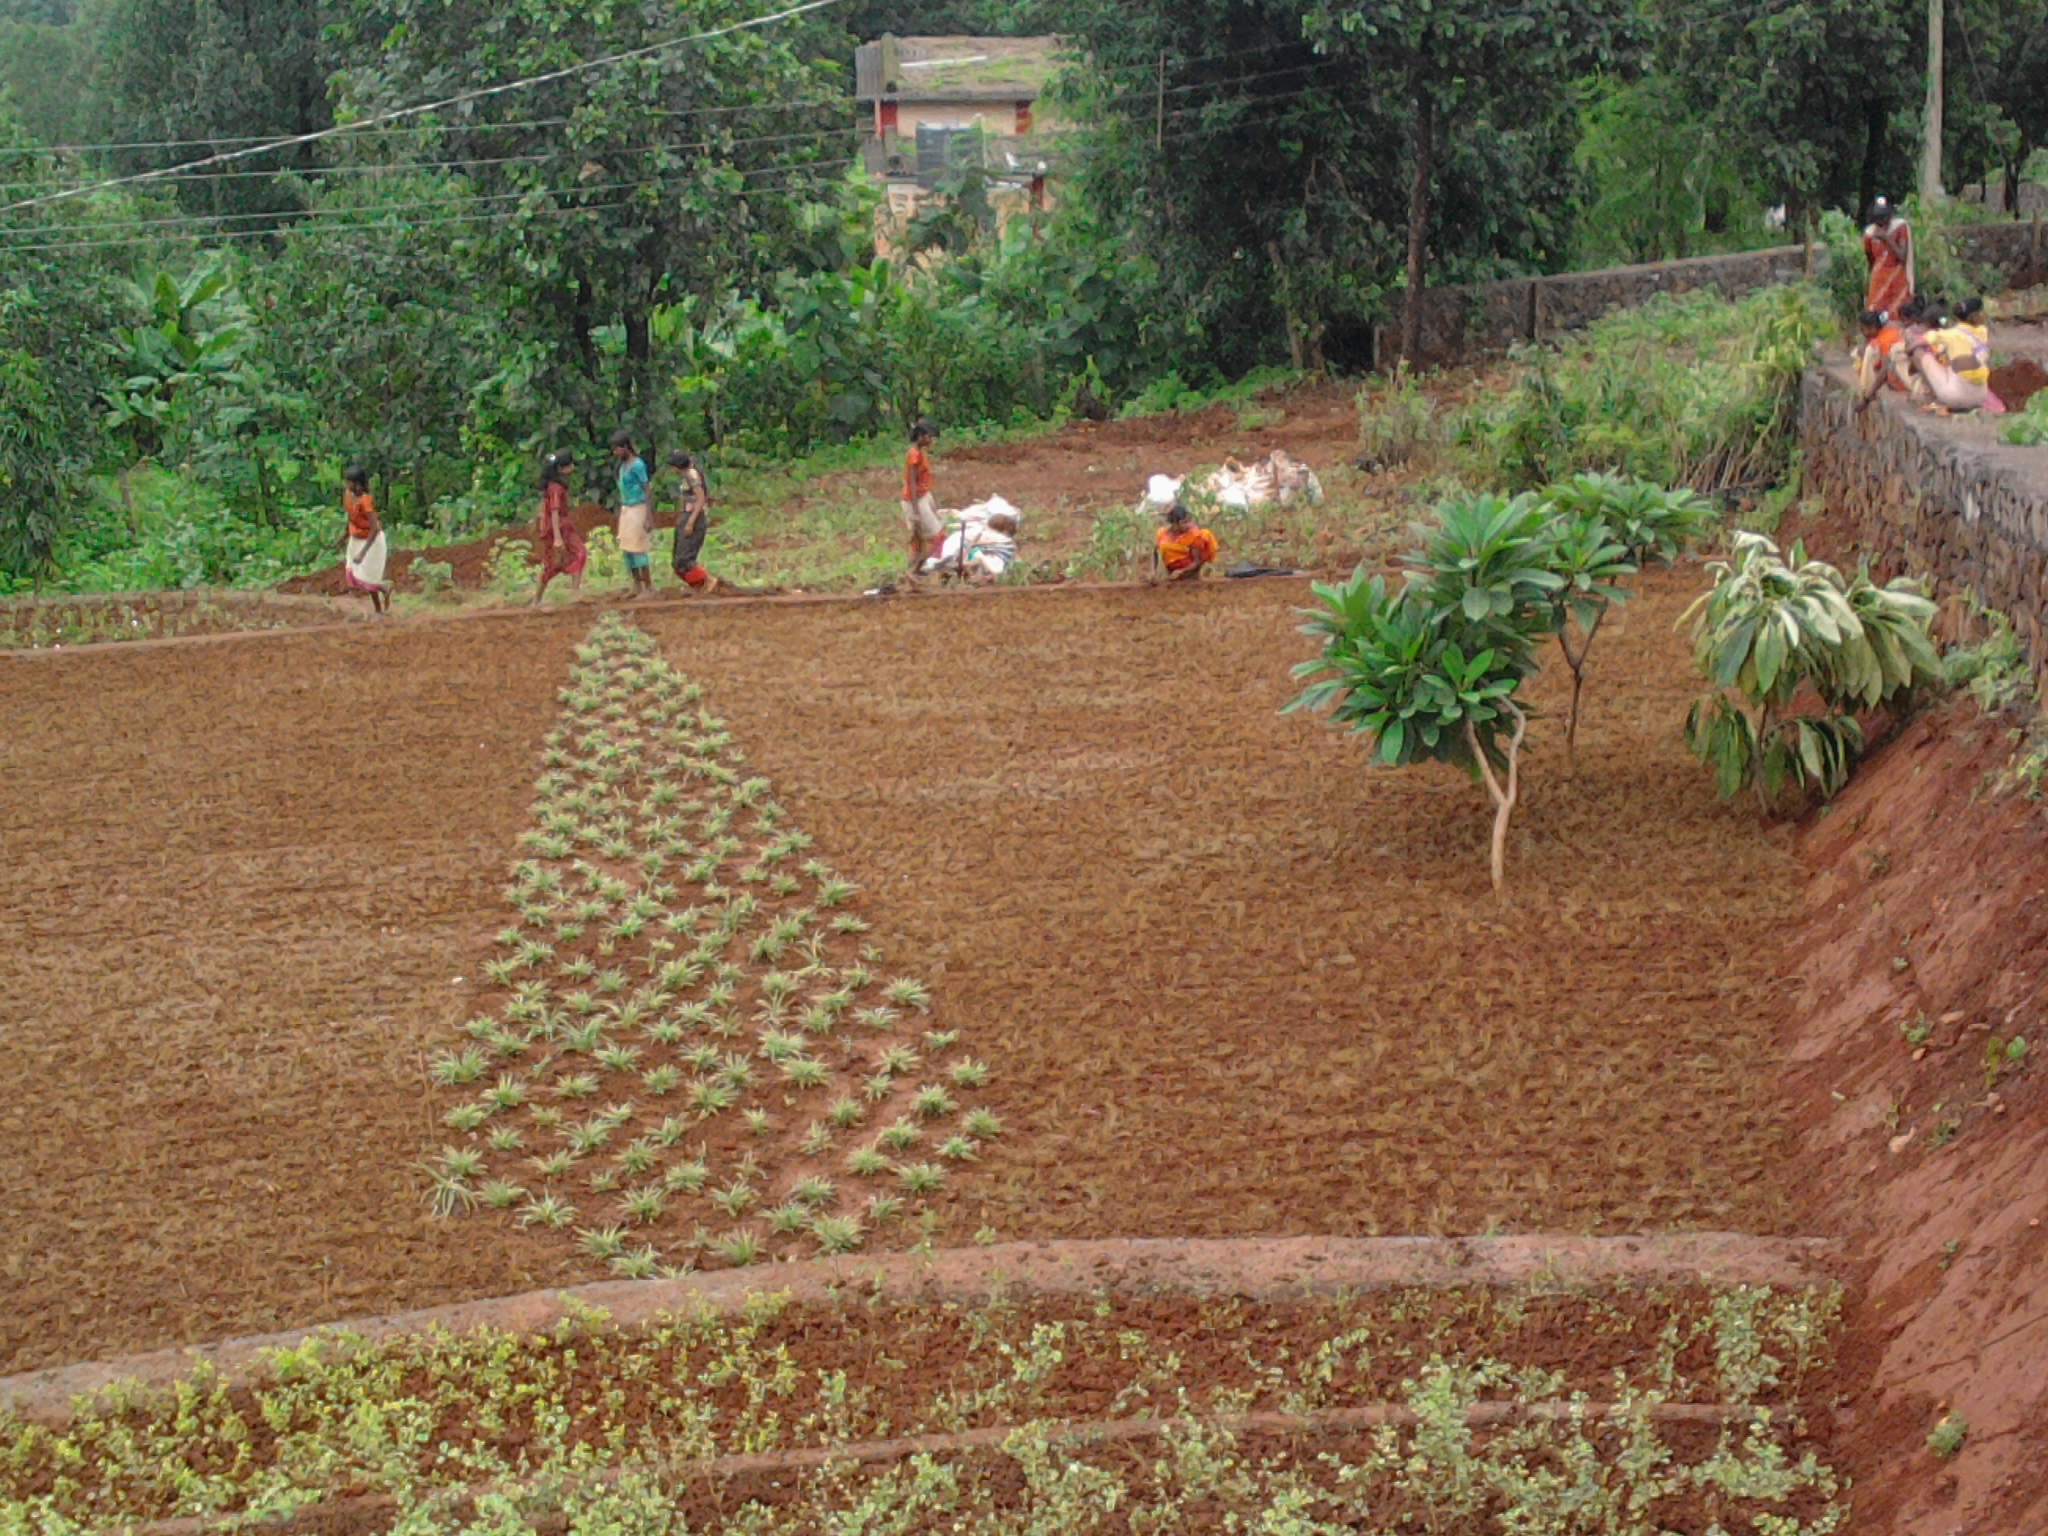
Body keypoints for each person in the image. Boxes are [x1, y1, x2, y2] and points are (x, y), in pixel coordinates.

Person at [1910, 305, 1992, 415]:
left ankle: (1933, 397)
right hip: (1980, 396)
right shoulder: (1982, 332)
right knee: (1952, 359)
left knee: (1919, 354)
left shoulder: (1949, 335)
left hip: (1954, 397)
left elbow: (1913, 345)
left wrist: (1908, 348)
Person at [533, 450, 587, 605]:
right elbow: (554, 512)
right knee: (555, 563)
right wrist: (557, 537)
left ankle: (575, 592)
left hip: (561, 527)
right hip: (559, 529)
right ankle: (538, 599)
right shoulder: (556, 489)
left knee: (577, 554)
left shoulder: (555, 486)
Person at [667, 449, 721, 596]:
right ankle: (697, 586)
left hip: (694, 517)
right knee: (678, 560)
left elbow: (701, 498)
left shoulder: (692, 475)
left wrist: (691, 521)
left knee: (685, 559)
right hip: (688, 514)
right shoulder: (687, 475)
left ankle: (708, 580)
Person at [340, 465, 390, 614]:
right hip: (356, 537)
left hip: (371, 540)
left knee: (367, 577)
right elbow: (350, 517)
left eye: (349, 482)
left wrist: (363, 552)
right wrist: (344, 536)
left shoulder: (365, 501)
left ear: (358, 484)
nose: (347, 485)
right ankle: (383, 588)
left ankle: (378, 611)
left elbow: (374, 528)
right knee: (354, 576)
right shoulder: (348, 495)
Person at [611, 429, 654, 599]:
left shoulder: (637, 465)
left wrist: (649, 516)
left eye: (617, 449)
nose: (615, 453)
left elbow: (647, 489)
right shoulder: (623, 467)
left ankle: (648, 586)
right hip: (627, 508)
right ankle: (637, 585)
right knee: (627, 548)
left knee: (638, 548)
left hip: (638, 508)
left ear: (625, 447)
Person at [901, 419, 941, 577]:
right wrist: (916, 511)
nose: (930, 441)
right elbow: (911, 482)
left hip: (922, 497)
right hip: (915, 500)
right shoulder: (914, 455)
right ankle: (915, 570)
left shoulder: (918, 453)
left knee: (918, 539)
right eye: (929, 437)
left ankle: (914, 570)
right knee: (936, 536)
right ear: (921, 436)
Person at [1862, 198, 1914, 318]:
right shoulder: (1869, 234)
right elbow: (1870, 259)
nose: (1882, 222)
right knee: (1875, 314)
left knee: (1898, 313)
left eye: (1884, 218)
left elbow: (1902, 256)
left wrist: (1886, 239)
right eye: (1878, 219)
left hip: (1898, 279)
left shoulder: (1900, 227)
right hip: (1879, 280)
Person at [1854, 308, 1909, 411]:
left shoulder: (1885, 339)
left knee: (1870, 352)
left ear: (1873, 327)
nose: (1862, 333)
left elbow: (1885, 370)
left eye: (1863, 329)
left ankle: (1866, 392)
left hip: (1902, 381)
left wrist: (1867, 398)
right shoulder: (1887, 332)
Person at [1153, 502, 1220, 582]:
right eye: (1183, 522)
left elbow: (1197, 561)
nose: (1187, 525)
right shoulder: (1162, 534)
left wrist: (1182, 571)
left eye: (1187, 522)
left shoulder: (1193, 534)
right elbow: (1155, 553)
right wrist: (1154, 572)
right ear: (1174, 523)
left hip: (1190, 576)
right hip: (1172, 575)